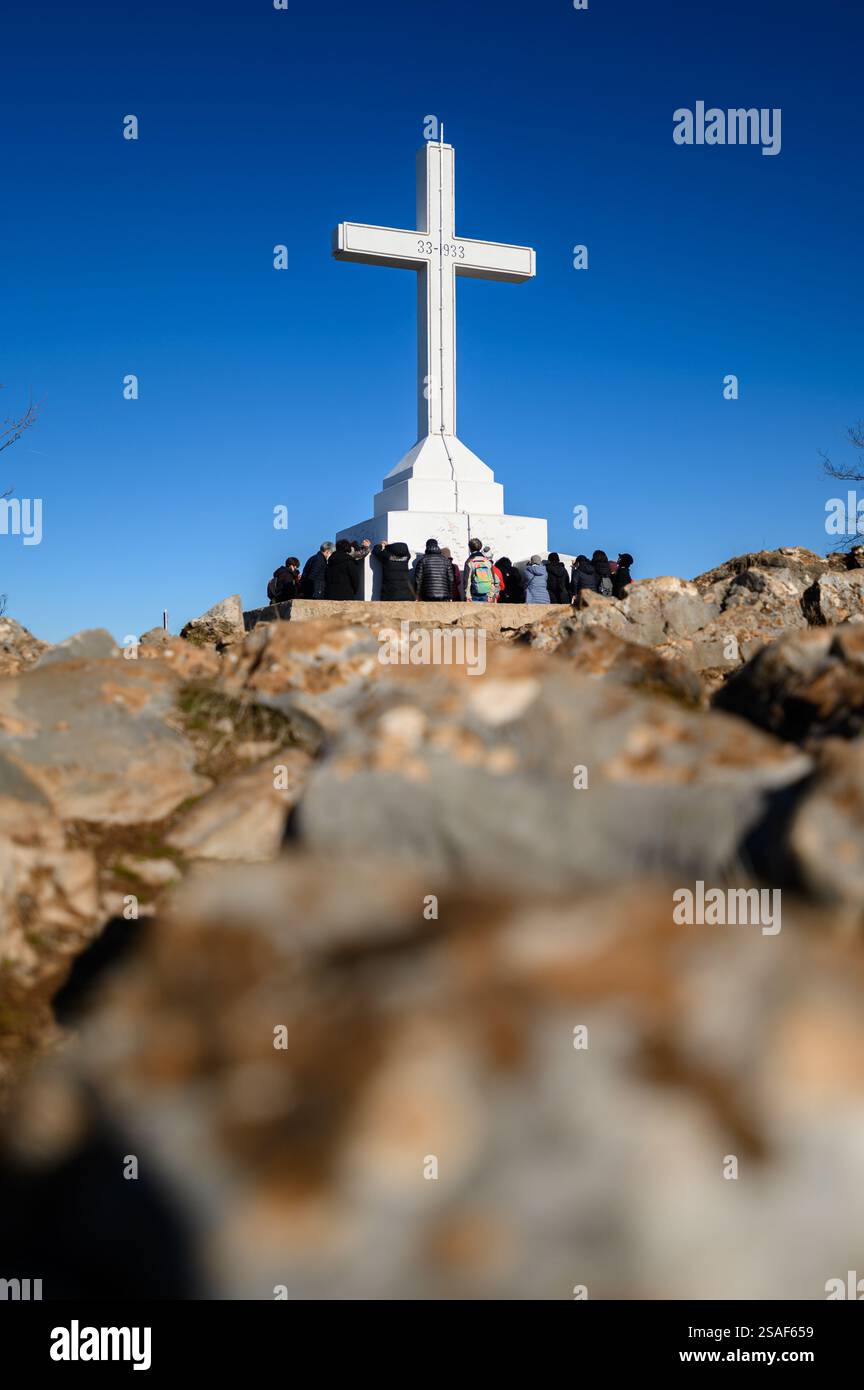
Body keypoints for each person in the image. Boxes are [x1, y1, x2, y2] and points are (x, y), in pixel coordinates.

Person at [463, 538, 496, 603]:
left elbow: (467, 580)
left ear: (470, 548)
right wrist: (491, 595)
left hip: (473, 594)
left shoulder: (469, 562)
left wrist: (468, 596)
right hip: (486, 594)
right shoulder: (487, 562)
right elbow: (493, 579)